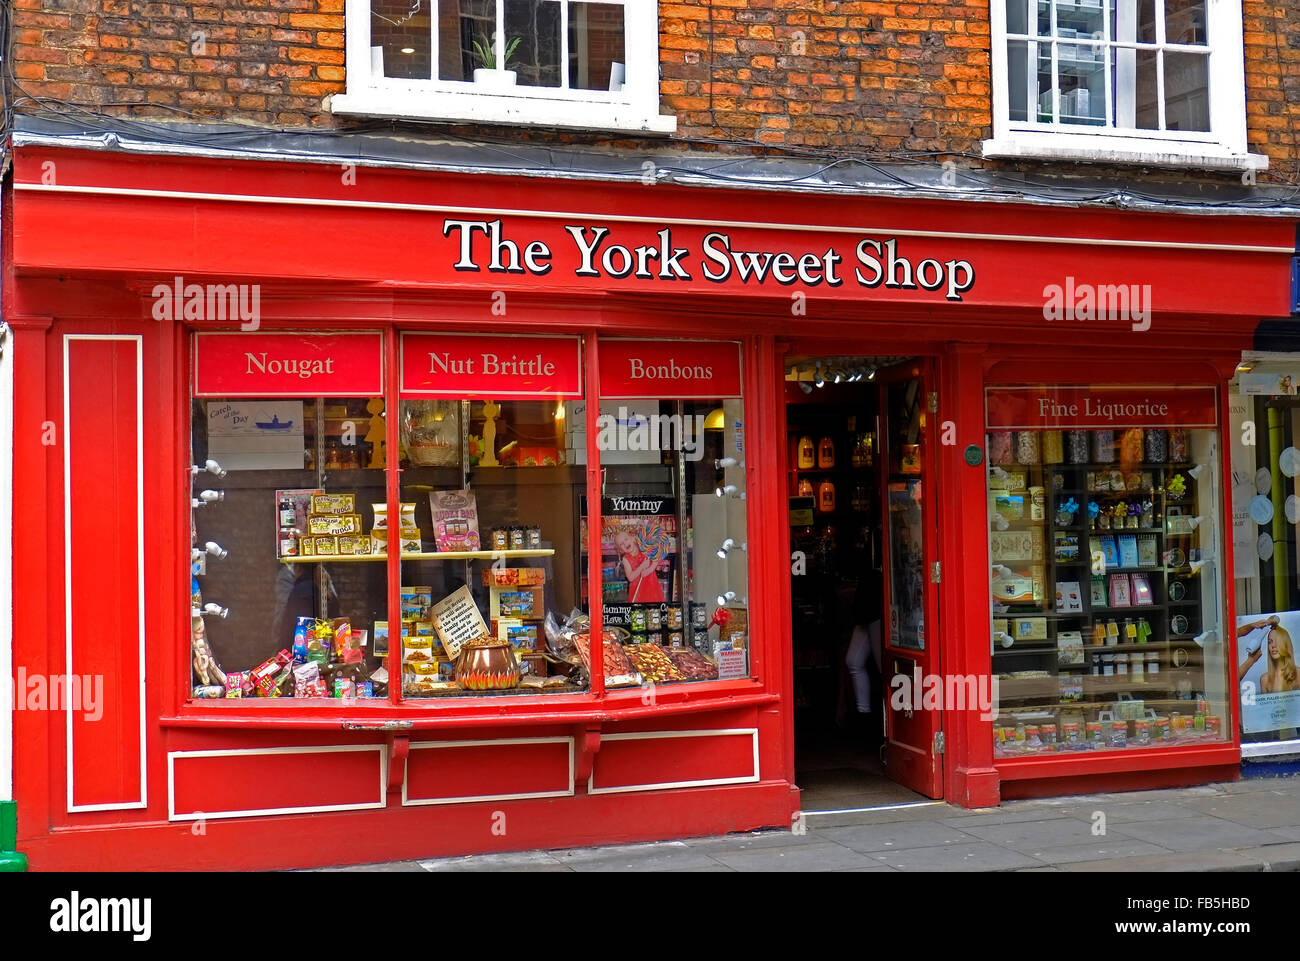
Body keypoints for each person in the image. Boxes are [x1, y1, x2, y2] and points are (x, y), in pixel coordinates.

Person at [845, 568, 884, 732]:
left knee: (883, 666)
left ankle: (885, 723)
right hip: (866, 606)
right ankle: (865, 715)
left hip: (874, 607)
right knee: (853, 661)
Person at [1239, 616, 1299, 692]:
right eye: (1270, 642)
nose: (1273, 646)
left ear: (1286, 644)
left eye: (1277, 640)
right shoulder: (1265, 680)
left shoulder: (1298, 674)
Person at [615, 527, 665, 603]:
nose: (625, 543)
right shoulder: (626, 559)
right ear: (620, 549)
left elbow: (656, 558)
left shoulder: (643, 547)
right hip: (637, 591)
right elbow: (630, 578)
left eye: (626, 539)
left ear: (632, 538)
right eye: (621, 544)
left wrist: (649, 570)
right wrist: (642, 566)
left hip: (651, 586)